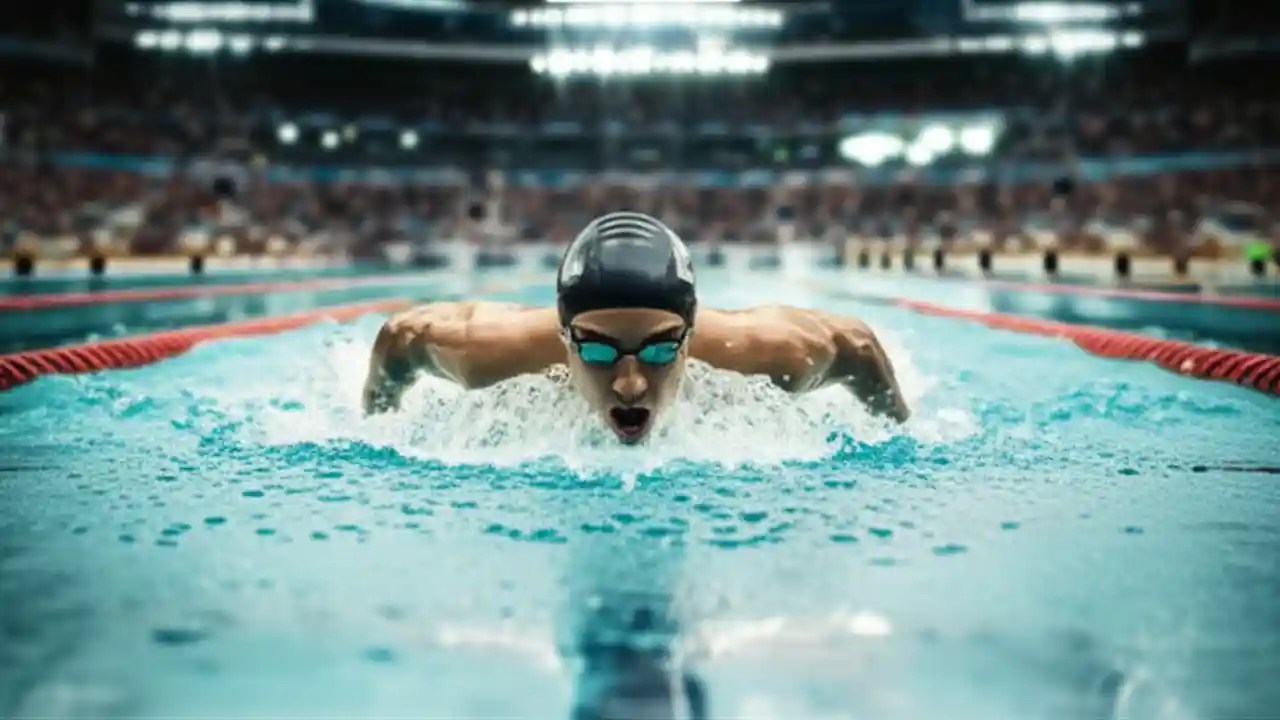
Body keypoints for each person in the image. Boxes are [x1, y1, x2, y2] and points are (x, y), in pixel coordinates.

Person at [363, 211, 908, 443]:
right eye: (598, 352)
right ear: (562, 338)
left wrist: (899, 430)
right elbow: (400, 338)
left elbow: (855, 344)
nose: (630, 383)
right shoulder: (482, 353)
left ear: (690, 336)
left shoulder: (773, 355)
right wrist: (377, 426)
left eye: (659, 351)